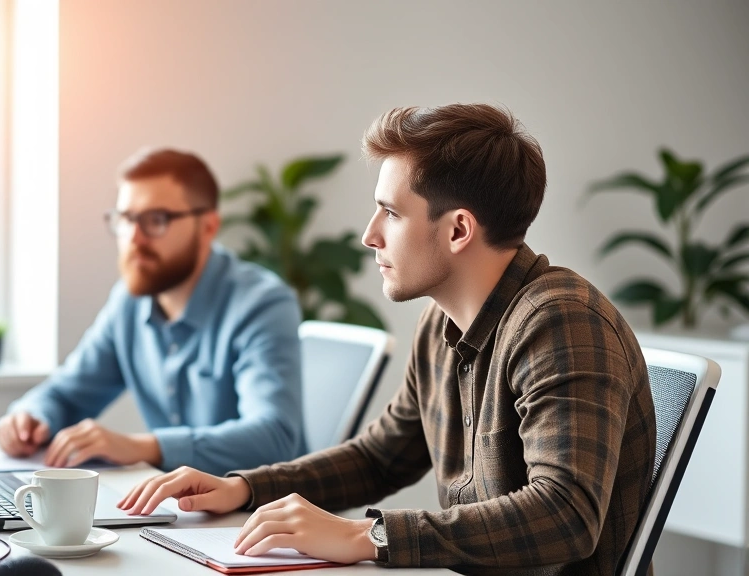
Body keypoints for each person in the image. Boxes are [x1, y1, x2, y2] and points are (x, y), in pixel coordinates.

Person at [118, 104, 657, 575]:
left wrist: (367, 536)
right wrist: (243, 487)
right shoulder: (440, 324)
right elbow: (380, 458)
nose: (369, 234)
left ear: (458, 230)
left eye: (392, 213)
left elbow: (565, 515)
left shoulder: (561, 322)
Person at [0, 148, 305, 476]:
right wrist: (30, 417)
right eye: (125, 219)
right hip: (175, 509)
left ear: (208, 227)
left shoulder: (262, 304)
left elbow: (274, 437)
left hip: (255, 513)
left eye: (156, 220)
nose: (134, 238)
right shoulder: (129, 303)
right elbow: (66, 393)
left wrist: (142, 447)